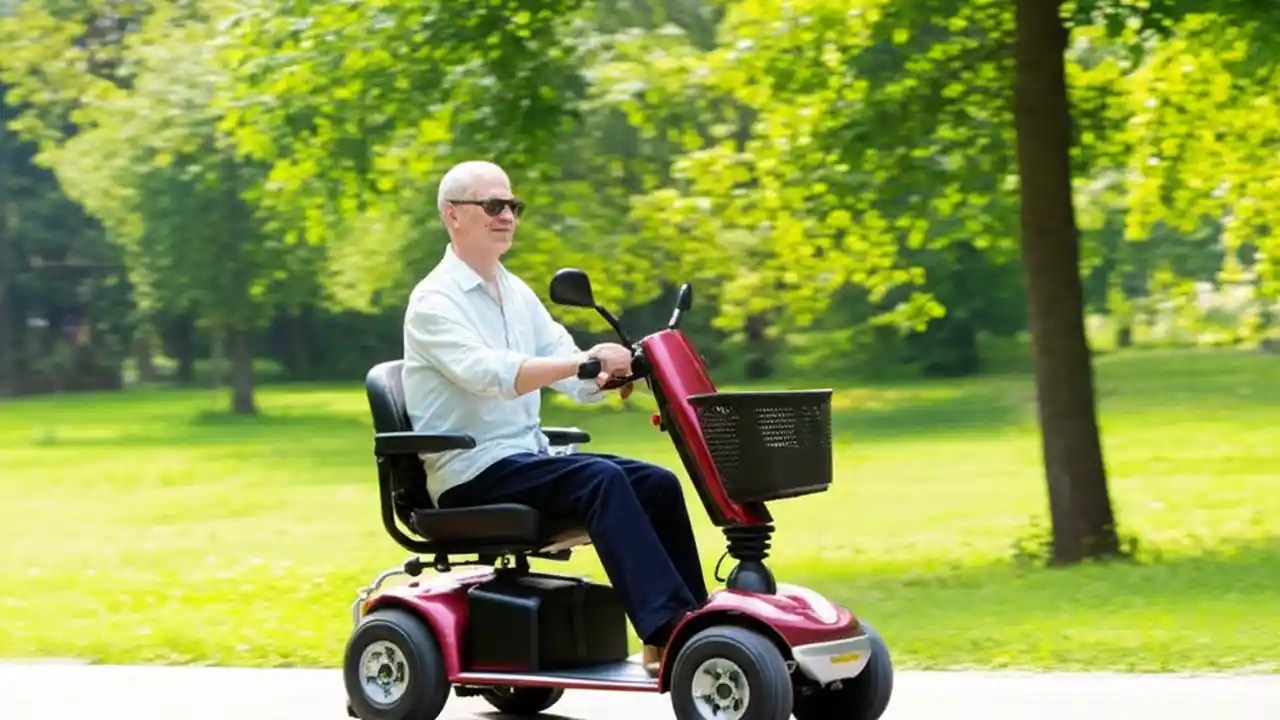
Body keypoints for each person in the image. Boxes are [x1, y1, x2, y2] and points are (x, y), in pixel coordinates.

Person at [400, 160, 708, 672]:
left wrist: (609, 374)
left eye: (513, 207)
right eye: (493, 206)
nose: (507, 217)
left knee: (657, 483)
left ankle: (694, 625)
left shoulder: (515, 292)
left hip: (522, 459)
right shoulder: (434, 301)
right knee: (601, 480)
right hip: (470, 472)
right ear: (453, 215)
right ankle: (668, 627)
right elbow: (489, 373)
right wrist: (582, 362)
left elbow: (565, 367)